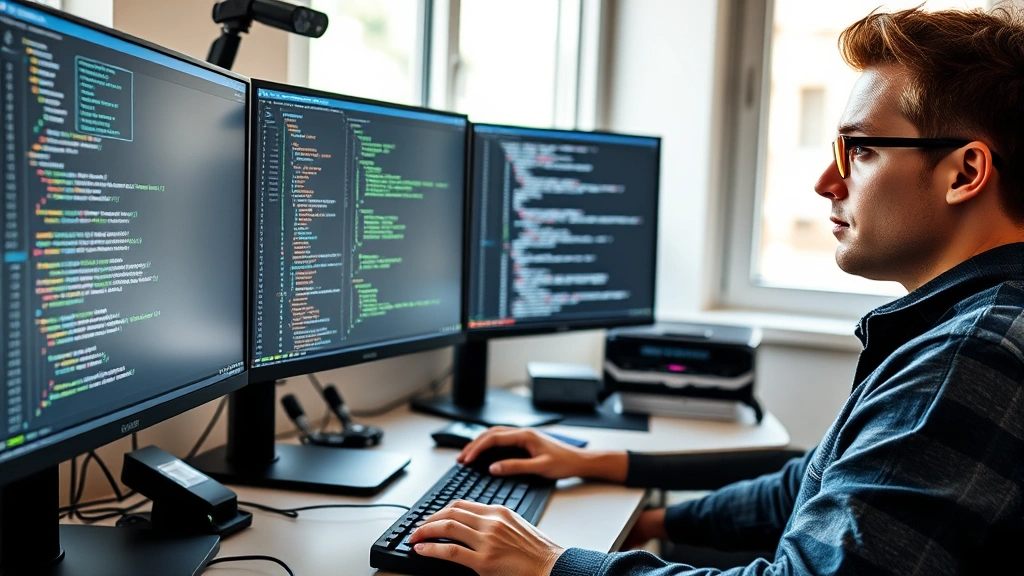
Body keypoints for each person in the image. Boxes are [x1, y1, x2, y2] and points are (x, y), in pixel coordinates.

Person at [408, 5, 1024, 575]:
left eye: (859, 150)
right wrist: (635, 498)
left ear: (965, 172)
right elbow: (810, 484)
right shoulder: (973, 326)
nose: (825, 181)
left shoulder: (971, 355)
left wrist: (553, 564)